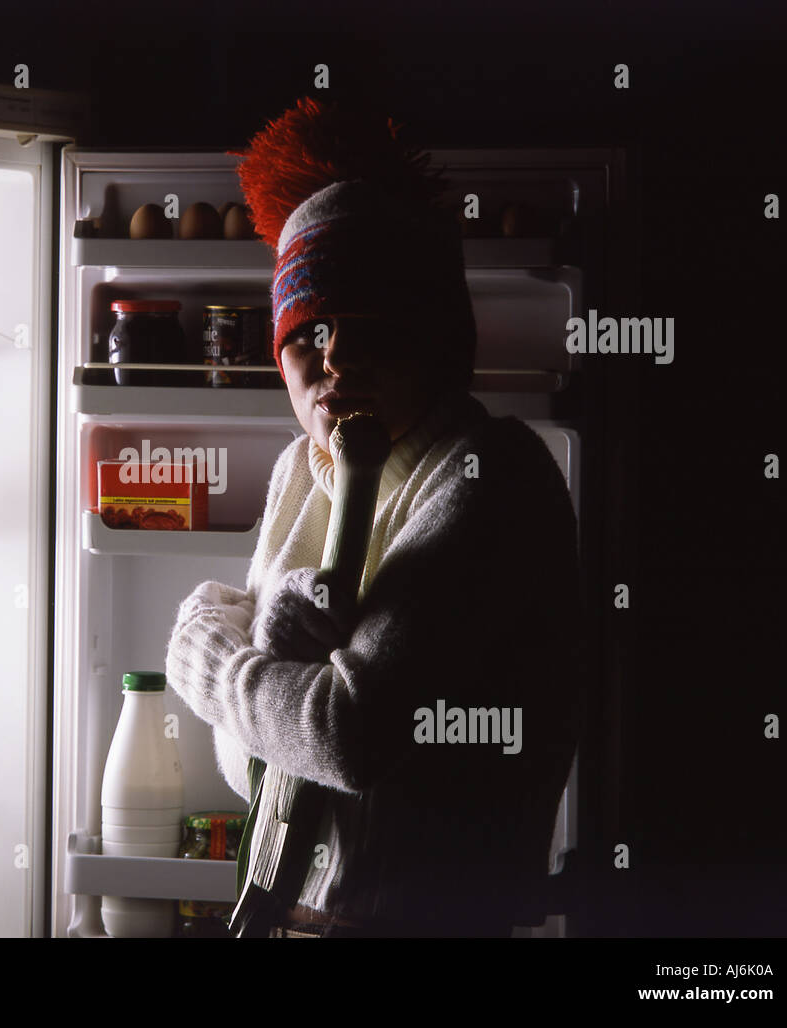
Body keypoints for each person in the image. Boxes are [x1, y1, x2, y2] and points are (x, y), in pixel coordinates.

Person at [164, 97, 585, 938]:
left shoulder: (490, 478)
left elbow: (344, 734)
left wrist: (212, 659)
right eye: (308, 330)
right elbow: (251, 762)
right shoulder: (300, 472)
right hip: (291, 918)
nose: (336, 358)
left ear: (436, 339)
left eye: (370, 327)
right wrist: (278, 660)